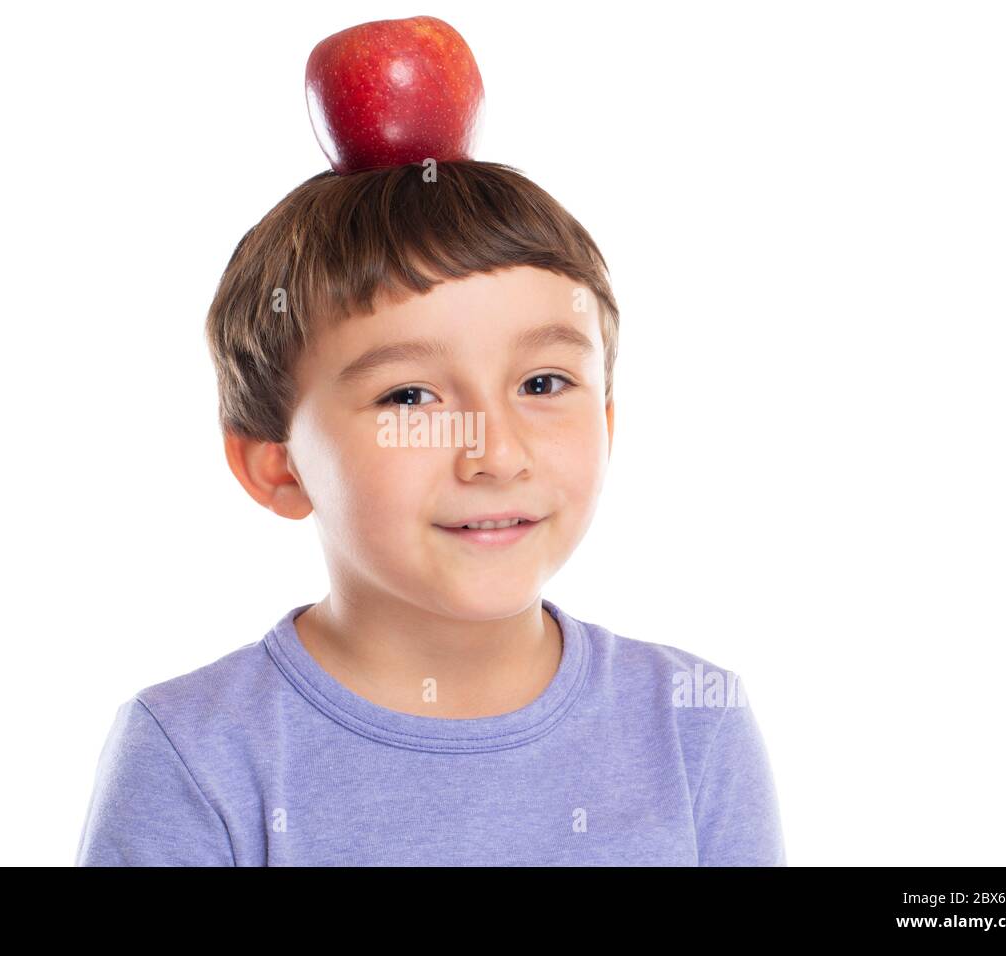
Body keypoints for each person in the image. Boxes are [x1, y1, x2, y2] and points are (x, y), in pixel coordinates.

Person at [74, 161, 786, 866]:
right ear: (278, 464)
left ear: (606, 420)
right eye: (410, 398)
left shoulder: (694, 724)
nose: (496, 453)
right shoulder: (191, 753)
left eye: (543, 382)